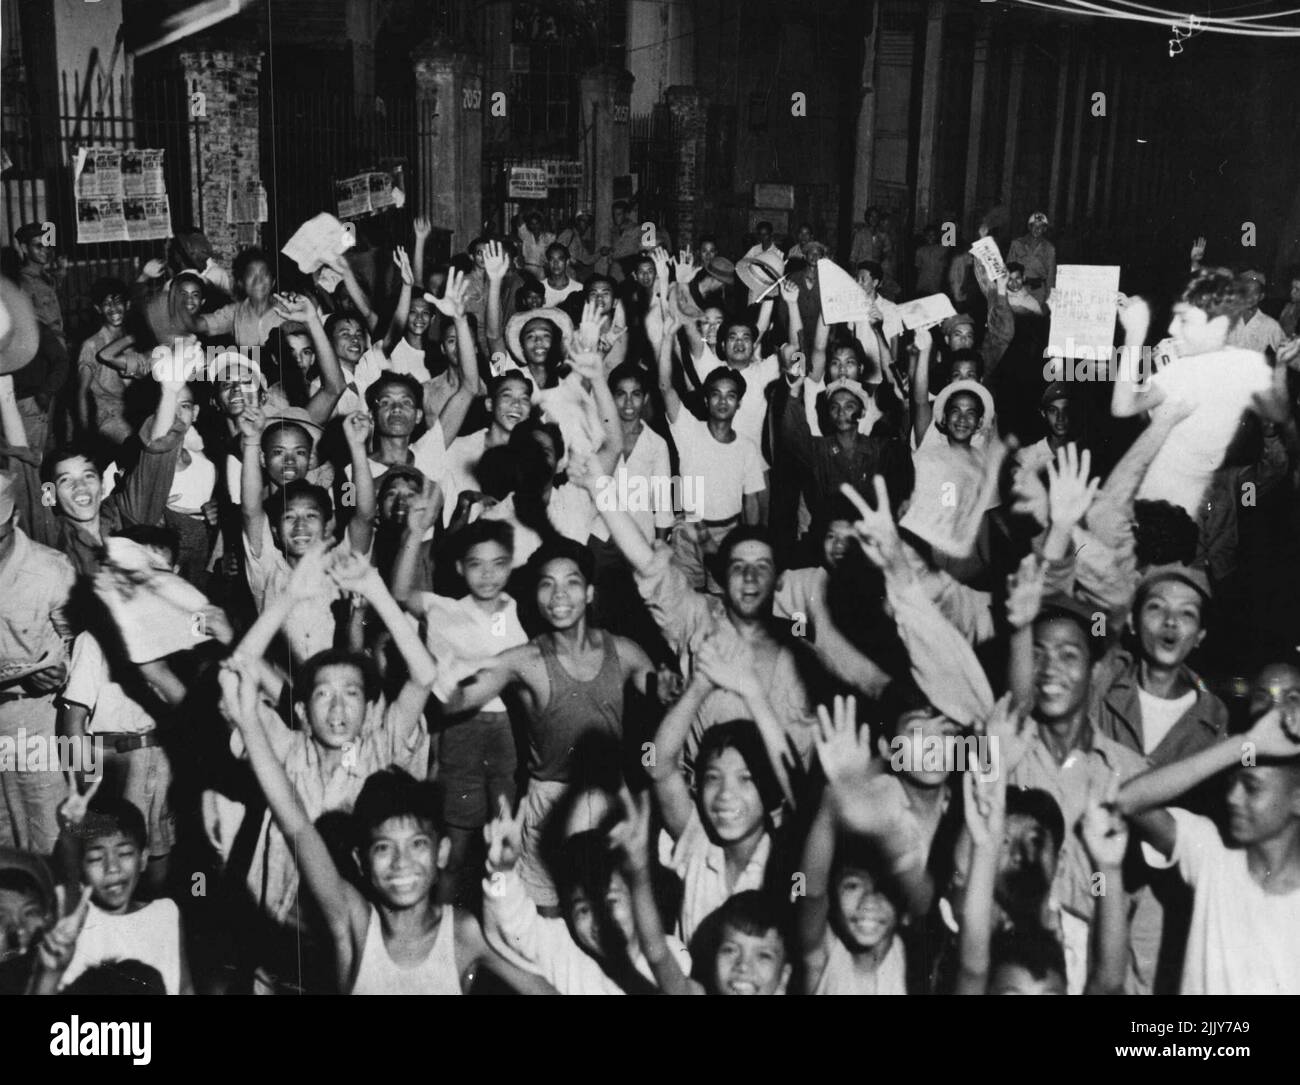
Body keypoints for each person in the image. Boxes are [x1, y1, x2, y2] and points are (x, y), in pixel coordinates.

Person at [217, 661, 552, 994]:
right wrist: (248, 722)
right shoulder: (353, 923)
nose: (400, 862)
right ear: (361, 861)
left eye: (417, 844)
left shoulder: (461, 933)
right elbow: (297, 823)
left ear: (442, 852)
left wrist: (503, 872)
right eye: (383, 847)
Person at [432, 539, 661, 909]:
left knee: (612, 918)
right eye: (546, 584)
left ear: (588, 593)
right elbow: (452, 702)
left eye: (570, 582)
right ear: (535, 596)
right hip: (548, 803)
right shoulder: (523, 659)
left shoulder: (626, 652)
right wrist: (435, 668)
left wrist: (644, 786)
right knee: (545, 920)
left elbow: (661, 719)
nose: (558, 595)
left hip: (610, 801)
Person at [1116, 695, 1300, 994]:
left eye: (1251, 787)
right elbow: (1128, 801)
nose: (1233, 798)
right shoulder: (1212, 854)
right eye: (1232, 783)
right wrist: (1248, 743)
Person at [392, 514, 527, 903]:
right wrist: (415, 533)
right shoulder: (442, 608)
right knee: (457, 839)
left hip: (510, 731)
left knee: (503, 833)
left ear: (511, 565)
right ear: (458, 568)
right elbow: (400, 593)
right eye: (476, 565)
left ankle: (503, 923)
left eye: (498, 564)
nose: (488, 575)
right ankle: (448, 923)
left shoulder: (522, 612)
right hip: (458, 728)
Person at [1115, 271, 1273, 518]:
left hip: (1188, 500)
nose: (1171, 327)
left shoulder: (1206, 371)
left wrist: (1135, 335)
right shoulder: (1195, 362)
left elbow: (1125, 406)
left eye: (1184, 320)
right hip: (1172, 491)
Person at [1007, 212, 1056, 307]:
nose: (1037, 229)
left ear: (1045, 229)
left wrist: (1048, 300)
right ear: (1029, 227)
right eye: (1034, 226)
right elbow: (1009, 269)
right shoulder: (1016, 244)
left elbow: (1051, 278)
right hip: (1018, 289)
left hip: (1038, 292)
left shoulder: (1049, 248)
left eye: (1041, 226)